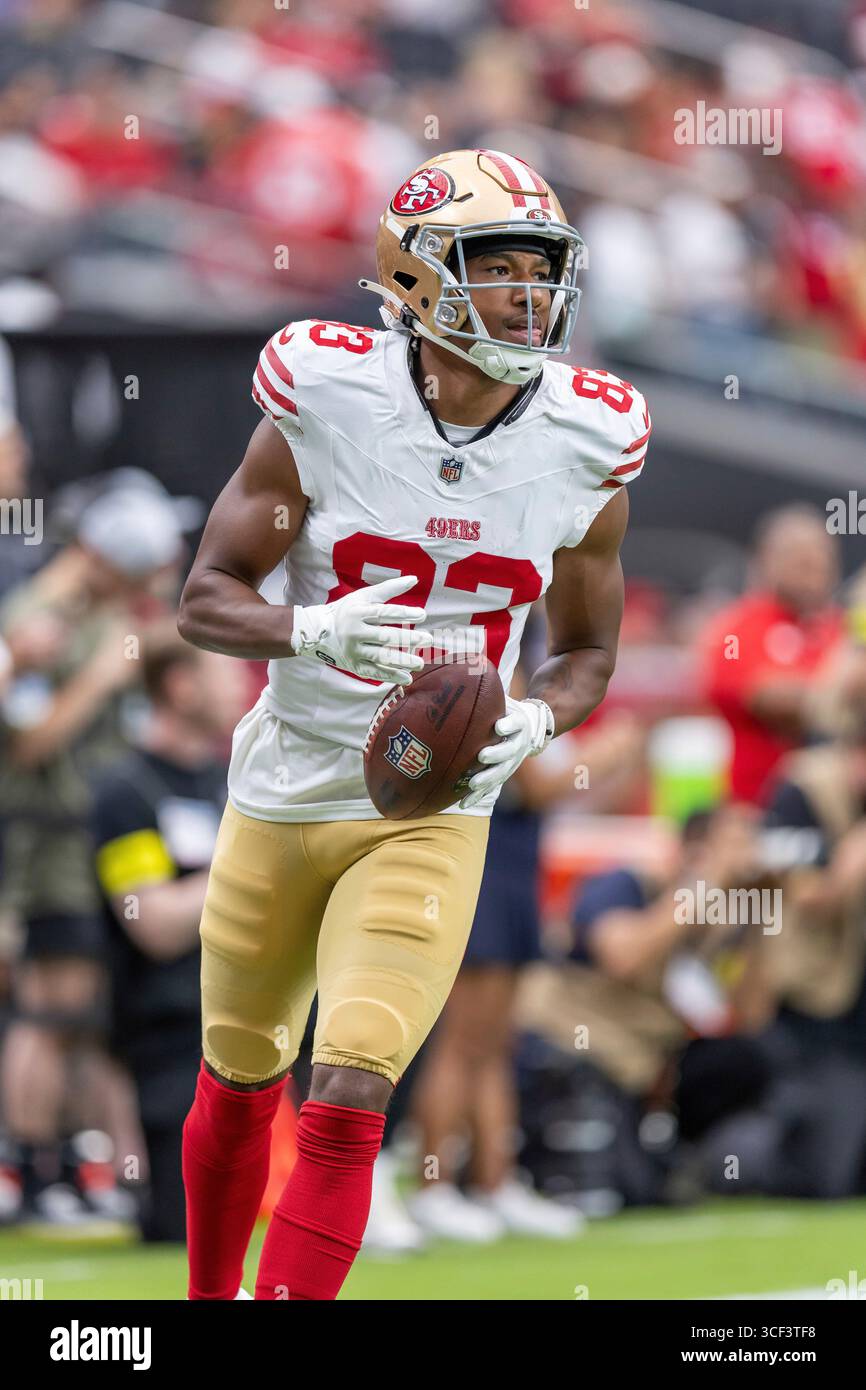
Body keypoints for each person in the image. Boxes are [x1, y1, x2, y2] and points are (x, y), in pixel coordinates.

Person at [177, 148, 651, 1301]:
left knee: (347, 1092)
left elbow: (584, 653)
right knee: (240, 1083)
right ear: (417, 277)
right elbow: (204, 597)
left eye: (541, 273)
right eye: (498, 270)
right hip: (287, 784)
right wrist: (307, 630)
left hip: (430, 808)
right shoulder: (326, 393)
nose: (528, 299)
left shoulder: (588, 439)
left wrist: (534, 717)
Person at [0, 484, 185, 1223]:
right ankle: (28, 1169)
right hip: (53, 842)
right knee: (53, 1010)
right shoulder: (36, 625)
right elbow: (28, 742)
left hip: (97, 834)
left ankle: (83, 1164)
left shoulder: (100, 616)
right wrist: (97, 677)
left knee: (92, 1014)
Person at [91, 634, 250, 1242]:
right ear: (180, 686)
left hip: (247, 1017)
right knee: (179, 1228)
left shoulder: (230, 780)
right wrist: (246, 869)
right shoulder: (124, 789)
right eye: (224, 669)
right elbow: (152, 924)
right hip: (168, 1038)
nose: (241, 683)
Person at [699, 505, 844, 804]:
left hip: (832, 809)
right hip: (756, 804)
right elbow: (766, 697)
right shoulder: (739, 626)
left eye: (822, 555)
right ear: (767, 559)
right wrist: (842, 695)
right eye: (800, 556)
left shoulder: (839, 626)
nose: (814, 564)